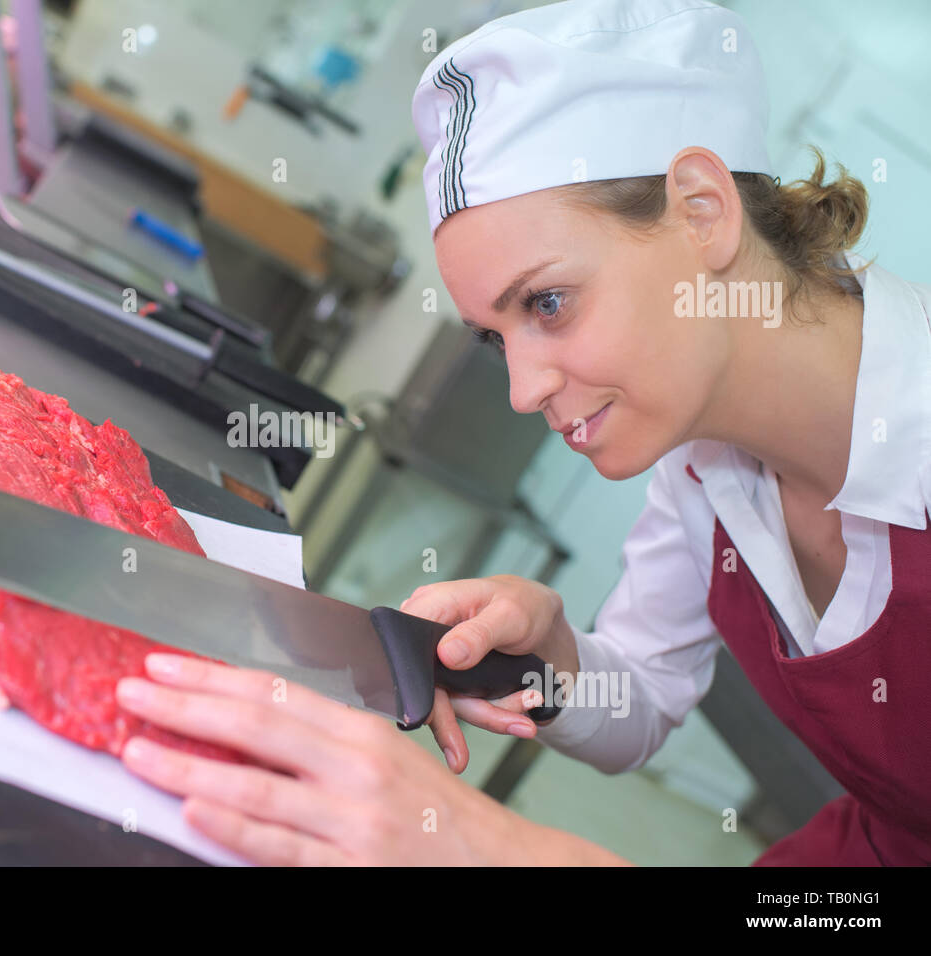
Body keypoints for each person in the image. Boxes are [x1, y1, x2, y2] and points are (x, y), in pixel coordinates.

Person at [113, 0, 931, 865]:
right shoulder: (704, 461)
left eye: (548, 303)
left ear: (702, 210)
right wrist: (551, 662)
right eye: (495, 337)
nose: (523, 388)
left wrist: (491, 849)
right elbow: (647, 695)